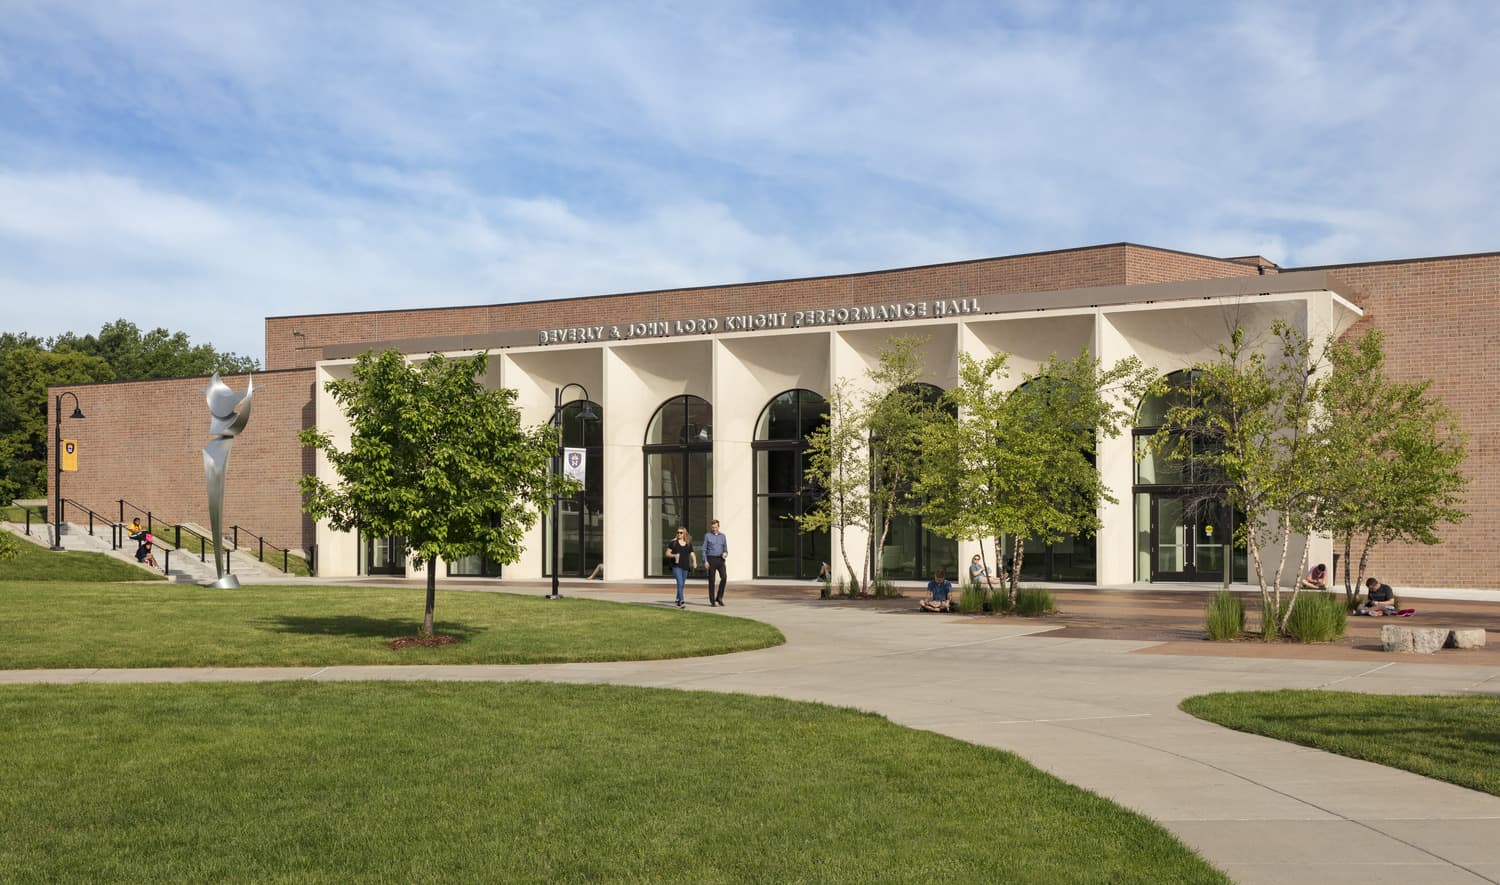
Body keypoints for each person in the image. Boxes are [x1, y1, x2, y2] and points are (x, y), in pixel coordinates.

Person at [665, 527, 696, 609]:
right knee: (680, 582)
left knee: (682, 584)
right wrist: (674, 555)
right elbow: (667, 553)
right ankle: (681, 600)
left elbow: (692, 554)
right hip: (676, 566)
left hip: (685, 566)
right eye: (678, 532)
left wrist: (694, 562)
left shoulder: (688, 543)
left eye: (681, 532)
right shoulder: (673, 543)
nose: (679, 534)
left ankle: (677, 598)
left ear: (684, 534)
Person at [702, 519, 728, 606]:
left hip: (720, 560)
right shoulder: (707, 536)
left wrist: (725, 554)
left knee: (724, 577)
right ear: (711, 527)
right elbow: (704, 549)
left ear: (718, 527)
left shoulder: (723, 536)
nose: (714, 529)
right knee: (712, 581)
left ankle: (719, 597)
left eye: (716, 527)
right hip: (711, 559)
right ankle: (712, 601)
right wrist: (705, 561)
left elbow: (725, 548)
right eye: (713, 527)